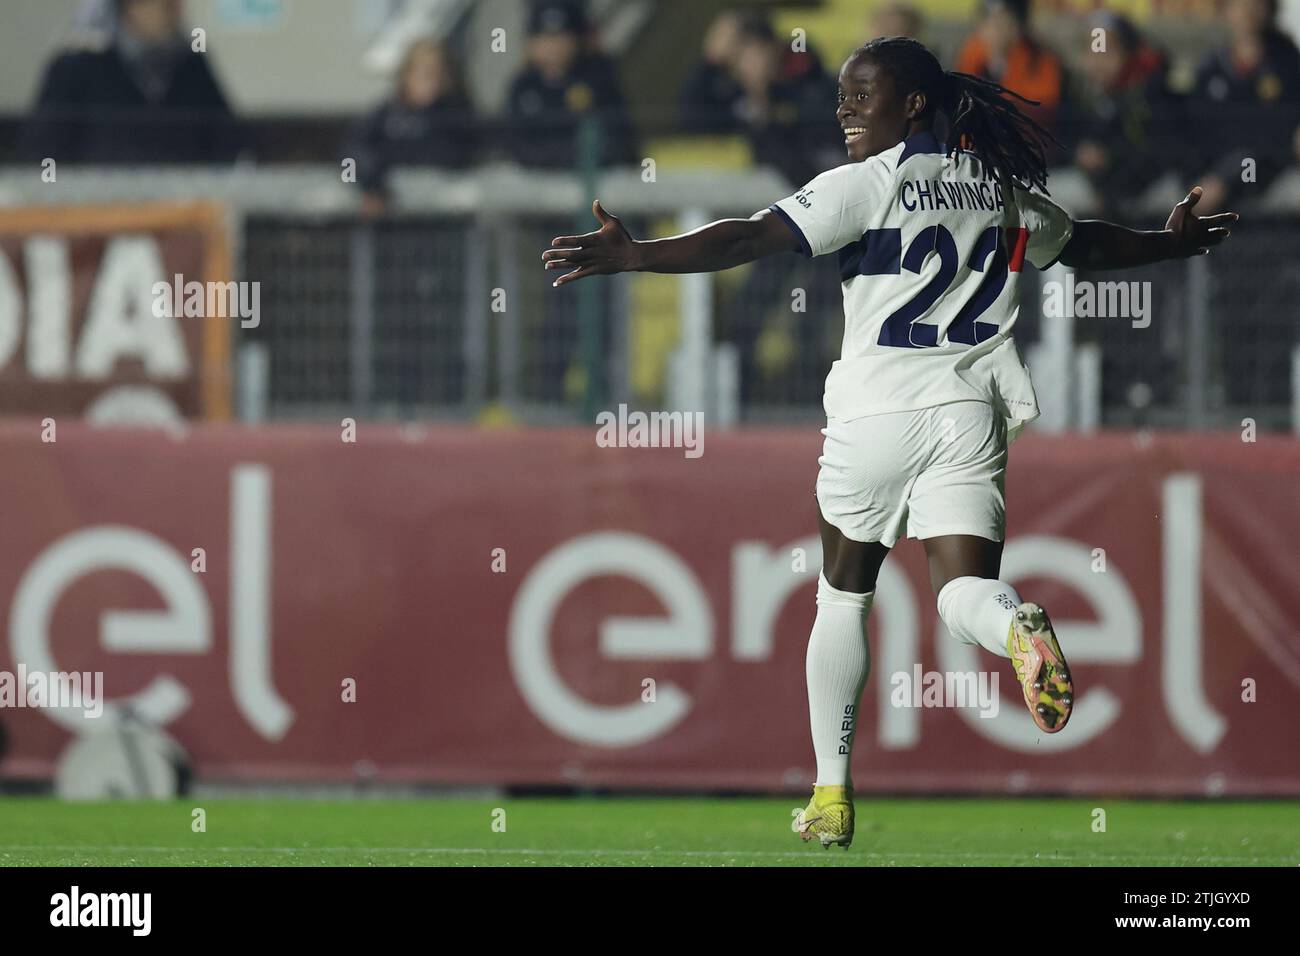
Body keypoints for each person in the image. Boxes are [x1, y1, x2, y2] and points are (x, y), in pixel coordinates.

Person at [541, 37, 1237, 849]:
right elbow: (1083, 242)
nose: (844, 111)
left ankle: (831, 798)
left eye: (859, 95)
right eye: (840, 96)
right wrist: (1172, 243)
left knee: (844, 594)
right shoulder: (999, 186)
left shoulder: (866, 184)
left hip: (876, 410)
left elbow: (744, 240)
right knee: (961, 594)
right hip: (970, 410)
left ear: (912, 105)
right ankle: (1015, 627)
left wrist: (636, 256)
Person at [21, 0, 240, 164]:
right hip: (96, 214)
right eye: (163, 3)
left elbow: (230, 142)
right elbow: (43, 150)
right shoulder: (74, 68)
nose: (175, 11)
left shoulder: (193, 67)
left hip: (179, 214)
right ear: (129, 10)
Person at [1188, 0, 1300, 212]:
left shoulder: (1288, 61)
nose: (1247, 10)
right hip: (1218, 171)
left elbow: (1286, 127)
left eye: (1256, 3)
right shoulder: (1211, 67)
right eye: (1238, 3)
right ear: (1225, 10)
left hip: (1273, 169)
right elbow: (1197, 129)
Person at [348, 37, 478, 215]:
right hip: (394, 219)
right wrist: (372, 185)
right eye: (424, 73)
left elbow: (457, 153)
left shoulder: (459, 115)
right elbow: (354, 153)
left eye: (438, 73)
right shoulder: (385, 116)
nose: (432, 81)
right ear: (406, 76)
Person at [500, 0, 636, 169]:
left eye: (561, 38)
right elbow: (511, 144)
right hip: (535, 186)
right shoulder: (522, 87)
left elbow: (619, 141)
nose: (553, 47)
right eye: (545, 38)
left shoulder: (598, 79)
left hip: (592, 184)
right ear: (530, 44)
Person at [1072, 12, 1180, 215]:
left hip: (1150, 191)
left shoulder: (1150, 91)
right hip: (1104, 189)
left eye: (1107, 53)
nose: (1097, 63)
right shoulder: (1085, 92)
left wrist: (1109, 156)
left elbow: (1159, 152)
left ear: (1128, 54)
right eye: (1092, 53)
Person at [955, 0, 1064, 134]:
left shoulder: (1040, 62)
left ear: (1019, 26)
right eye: (988, 22)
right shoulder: (971, 56)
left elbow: (1041, 114)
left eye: (1002, 23)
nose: (994, 31)